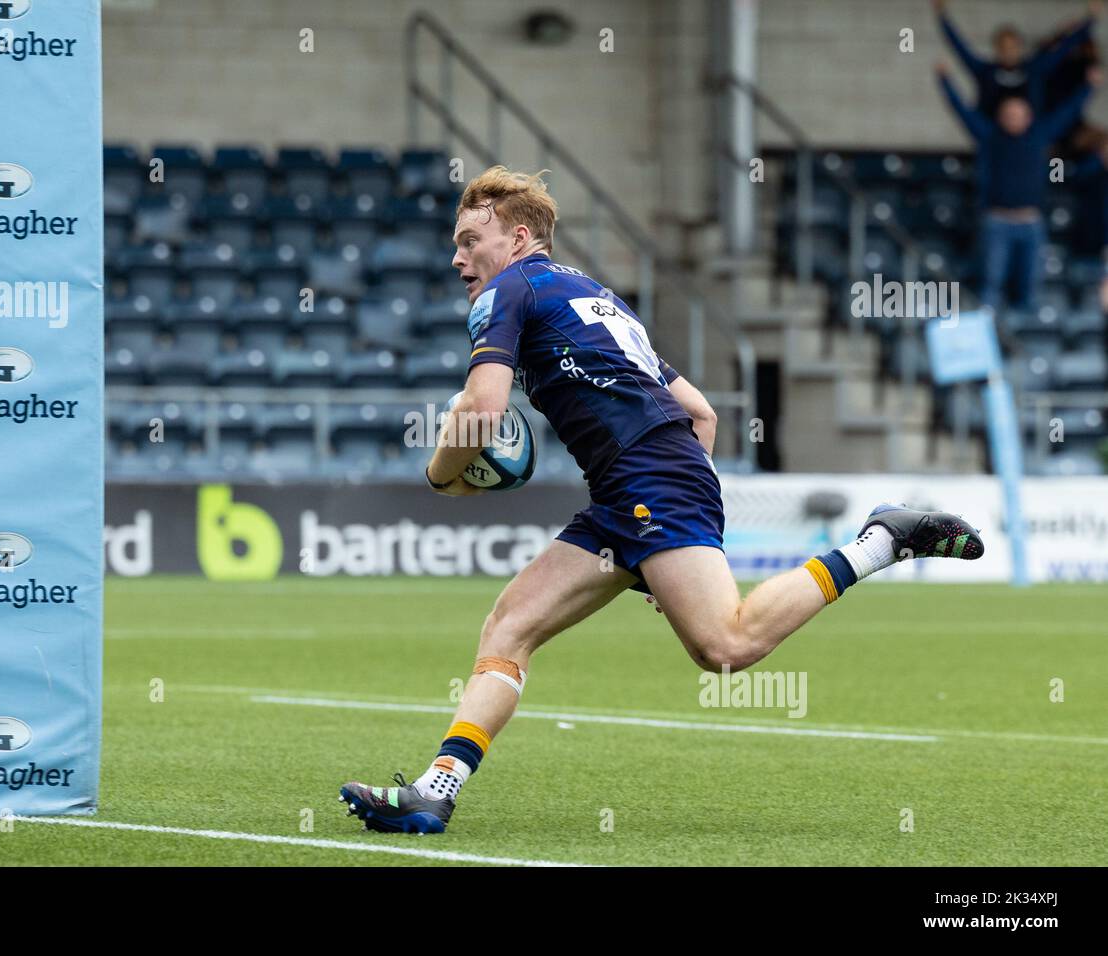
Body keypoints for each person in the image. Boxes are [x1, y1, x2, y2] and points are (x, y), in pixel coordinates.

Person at [338, 167, 985, 835]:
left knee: (725, 645)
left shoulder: (508, 289)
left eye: (471, 239)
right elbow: (701, 413)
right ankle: (435, 790)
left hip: (648, 478)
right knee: (509, 628)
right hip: (638, 488)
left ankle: (881, 539)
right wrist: (664, 543)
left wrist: (440, 474)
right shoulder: (599, 298)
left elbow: (482, 408)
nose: (458, 257)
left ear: (518, 237)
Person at [939, 61, 1099, 312]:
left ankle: (1028, 340)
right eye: (1008, 114)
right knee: (991, 284)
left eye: (1018, 114)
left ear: (1029, 117)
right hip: (997, 222)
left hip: (1030, 223)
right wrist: (945, 81)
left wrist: (1089, 87)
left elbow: (1068, 111)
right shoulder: (990, 137)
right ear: (1000, 117)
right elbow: (962, 111)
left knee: (1031, 286)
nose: (1013, 118)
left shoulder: (1040, 135)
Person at [933, 0, 1099, 119]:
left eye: (1012, 47)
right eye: (1003, 48)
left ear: (1019, 47)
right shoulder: (985, 72)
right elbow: (960, 47)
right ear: (996, 49)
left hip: (1029, 136)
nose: (1008, 52)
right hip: (992, 138)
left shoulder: (1034, 68)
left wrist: (1090, 20)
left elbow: (1063, 48)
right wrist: (942, 17)